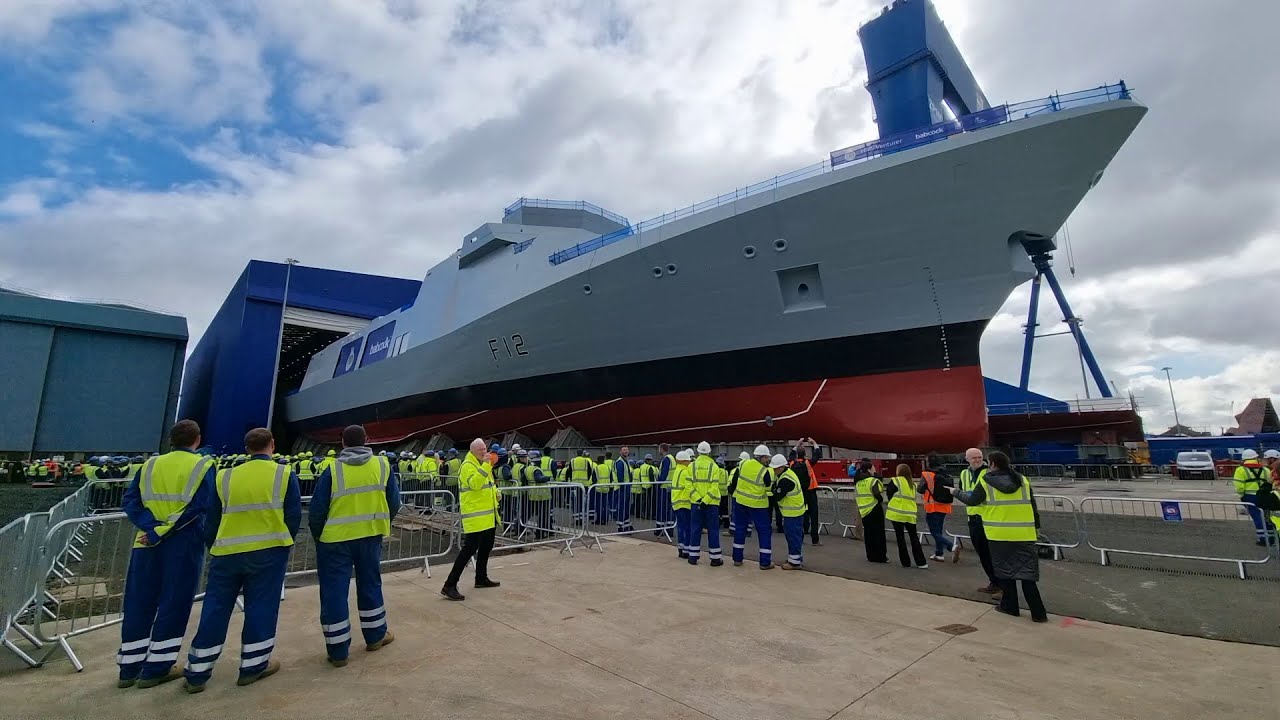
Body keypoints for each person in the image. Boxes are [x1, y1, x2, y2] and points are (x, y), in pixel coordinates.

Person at [183, 428, 302, 693]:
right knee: (262, 607)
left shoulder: (225, 476)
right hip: (269, 552)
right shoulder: (284, 474)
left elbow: (212, 519)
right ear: (273, 445)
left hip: (226, 554)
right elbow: (293, 516)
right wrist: (284, 542)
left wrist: (215, 545)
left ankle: (197, 672)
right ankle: (253, 666)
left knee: (215, 608)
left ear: (246, 448)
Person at [116, 420, 217, 689]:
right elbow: (200, 506)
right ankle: (157, 668)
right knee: (174, 602)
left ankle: (128, 668)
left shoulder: (149, 465)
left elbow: (130, 501)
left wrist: (151, 528)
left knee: (139, 602)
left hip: (145, 542)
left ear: (171, 440)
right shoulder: (203, 465)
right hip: (182, 542)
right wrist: (163, 530)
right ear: (197, 439)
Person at [309, 425, 400, 667]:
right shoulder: (382, 465)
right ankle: (376, 636)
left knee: (334, 593)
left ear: (343, 443)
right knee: (371, 585)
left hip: (335, 541)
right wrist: (380, 523)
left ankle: (338, 652)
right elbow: (394, 502)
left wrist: (320, 537)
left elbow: (317, 511)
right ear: (367, 440)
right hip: (370, 536)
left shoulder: (332, 469)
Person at [955, 451, 1047, 622]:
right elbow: (1032, 505)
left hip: (999, 532)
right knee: (1028, 574)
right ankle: (1038, 613)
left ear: (992, 464)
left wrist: (955, 492)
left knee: (1005, 572)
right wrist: (1036, 527)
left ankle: (1010, 606)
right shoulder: (1022, 480)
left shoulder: (986, 481)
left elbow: (972, 500)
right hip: (1024, 532)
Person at [440, 439, 501, 601]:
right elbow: (475, 484)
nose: (484, 452)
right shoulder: (468, 466)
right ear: (472, 451)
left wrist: (496, 492)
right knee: (468, 550)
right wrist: (486, 465)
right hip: (475, 517)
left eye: (485, 448)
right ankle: (449, 585)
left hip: (488, 516)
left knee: (486, 547)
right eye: (480, 450)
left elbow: (488, 485)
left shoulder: (481, 464)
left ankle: (481, 577)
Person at [960, 448, 999, 595]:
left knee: (993, 554)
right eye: (974, 458)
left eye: (980, 457)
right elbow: (963, 491)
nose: (977, 460)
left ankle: (1002, 585)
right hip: (973, 518)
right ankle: (994, 582)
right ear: (967, 459)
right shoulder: (964, 474)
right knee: (982, 553)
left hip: (988, 518)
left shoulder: (989, 472)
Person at [730, 446, 775, 569]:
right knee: (764, 532)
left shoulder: (743, 464)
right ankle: (765, 562)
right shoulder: (765, 471)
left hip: (740, 502)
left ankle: (737, 559)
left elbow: (735, 480)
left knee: (740, 529)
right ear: (761, 457)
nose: (767, 460)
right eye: (766, 457)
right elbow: (768, 488)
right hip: (758, 505)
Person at [686, 442, 723, 566]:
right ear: (709, 452)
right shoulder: (714, 466)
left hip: (696, 503)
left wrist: (698, 499)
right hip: (711, 503)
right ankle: (715, 559)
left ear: (698, 451)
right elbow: (714, 486)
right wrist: (705, 501)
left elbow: (688, 485)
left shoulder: (692, 466)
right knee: (713, 530)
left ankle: (693, 557)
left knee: (695, 529)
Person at [884, 463, 927, 568]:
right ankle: (921, 562)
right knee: (914, 537)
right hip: (910, 514)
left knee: (900, 538)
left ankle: (905, 562)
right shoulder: (912, 484)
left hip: (897, 513)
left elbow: (889, 493)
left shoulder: (895, 481)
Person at [918, 456, 959, 562]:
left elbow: (920, 489)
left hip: (932, 506)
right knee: (939, 530)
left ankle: (951, 546)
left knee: (934, 532)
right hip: (945, 506)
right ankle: (939, 553)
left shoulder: (927, 474)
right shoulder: (946, 474)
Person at [772, 454, 806, 570]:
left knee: (793, 537)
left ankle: (794, 563)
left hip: (792, 513)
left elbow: (777, 496)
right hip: (795, 512)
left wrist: (773, 491)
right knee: (796, 536)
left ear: (781, 467)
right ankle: (795, 558)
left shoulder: (785, 479)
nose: (773, 470)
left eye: (775, 468)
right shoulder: (787, 474)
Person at [1233, 450, 1273, 546]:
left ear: (1244, 459)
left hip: (1250, 497)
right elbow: (1270, 482)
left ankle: (1262, 539)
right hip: (1265, 496)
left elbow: (1239, 486)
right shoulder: (1265, 469)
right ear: (1255, 458)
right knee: (1267, 516)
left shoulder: (1240, 470)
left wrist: (1241, 496)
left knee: (1257, 517)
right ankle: (1272, 537)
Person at [852, 461, 887, 563]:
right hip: (874, 508)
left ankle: (870, 556)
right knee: (879, 534)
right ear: (869, 470)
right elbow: (877, 493)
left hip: (864, 510)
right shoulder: (872, 481)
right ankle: (881, 556)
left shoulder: (858, 482)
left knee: (868, 534)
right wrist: (880, 499)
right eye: (873, 468)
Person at [792, 446, 820, 545]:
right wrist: (814, 444)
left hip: (800, 492)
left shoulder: (792, 464)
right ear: (805, 453)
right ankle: (815, 539)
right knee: (814, 515)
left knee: (801, 514)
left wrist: (797, 445)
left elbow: (791, 455)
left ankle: (801, 537)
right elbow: (817, 455)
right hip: (810, 491)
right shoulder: (808, 463)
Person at [670, 450, 693, 559]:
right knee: (687, 527)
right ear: (683, 461)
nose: (689, 462)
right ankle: (686, 550)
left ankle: (681, 549)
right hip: (685, 502)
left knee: (680, 527)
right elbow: (688, 487)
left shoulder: (677, 470)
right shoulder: (685, 472)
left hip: (677, 502)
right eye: (688, 461)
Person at [614, 446, 635, 532]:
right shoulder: (620, 462)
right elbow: (620, 477)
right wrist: (623, 486)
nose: (626, 451)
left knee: (626, 507)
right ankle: (620, 527)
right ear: (620, 452)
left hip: (626, 487)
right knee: (622, 507)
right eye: (624, 450)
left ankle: (626, 525)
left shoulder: (625, 461)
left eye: (627, 450)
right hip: (622, 488)